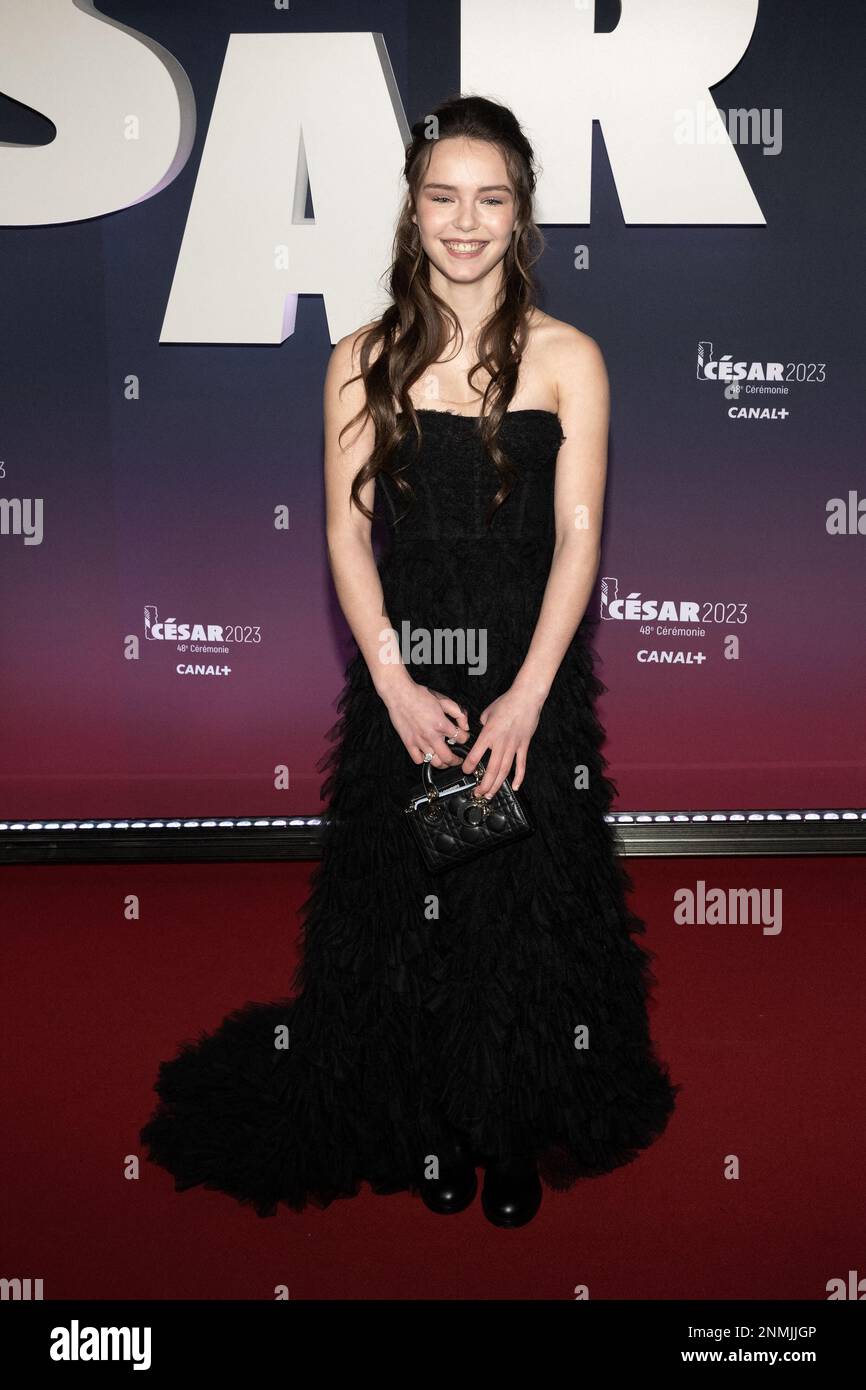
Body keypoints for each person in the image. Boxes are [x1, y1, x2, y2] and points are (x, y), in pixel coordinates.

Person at [139, 94, 680, 1230]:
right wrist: (389, 681)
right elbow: (343, 531)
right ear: (412, 207)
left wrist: (531, 694)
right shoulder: (361, 357)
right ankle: (425, 1122)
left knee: (524, 919)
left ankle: (512, 1126)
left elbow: (578, 536)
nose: (465, 221)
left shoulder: (570, 358)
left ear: (521, 212)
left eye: (490, 198)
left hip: (532, 673)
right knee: (410, 913)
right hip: (408, 671)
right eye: (443, 197)